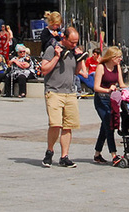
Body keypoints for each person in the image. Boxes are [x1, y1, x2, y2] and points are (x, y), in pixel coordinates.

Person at [39, 25, 86, 168]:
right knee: (55, 124)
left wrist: (80, 58)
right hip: (54, 91)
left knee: (68, 126)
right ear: (64, 38)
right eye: (72, 42)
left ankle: (64, 156)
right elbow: (44, 70)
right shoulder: (52, 49)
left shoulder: (73, 52)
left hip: (70, 92)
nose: (74, 44)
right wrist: (56, 57)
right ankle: (50, 151)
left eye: (76, 42)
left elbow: (80, 73)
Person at [91, 46, 126, 166]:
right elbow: (96, 87)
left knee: (105, 126)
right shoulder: (101, 67)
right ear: (112, 57)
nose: (120, 59)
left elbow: (121, 83)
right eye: (118, 57)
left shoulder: (117, 67)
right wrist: (108, 90)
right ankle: (114, 154)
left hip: (112, 99)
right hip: (101, 99)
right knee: (109, 125)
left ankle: (97, 153)